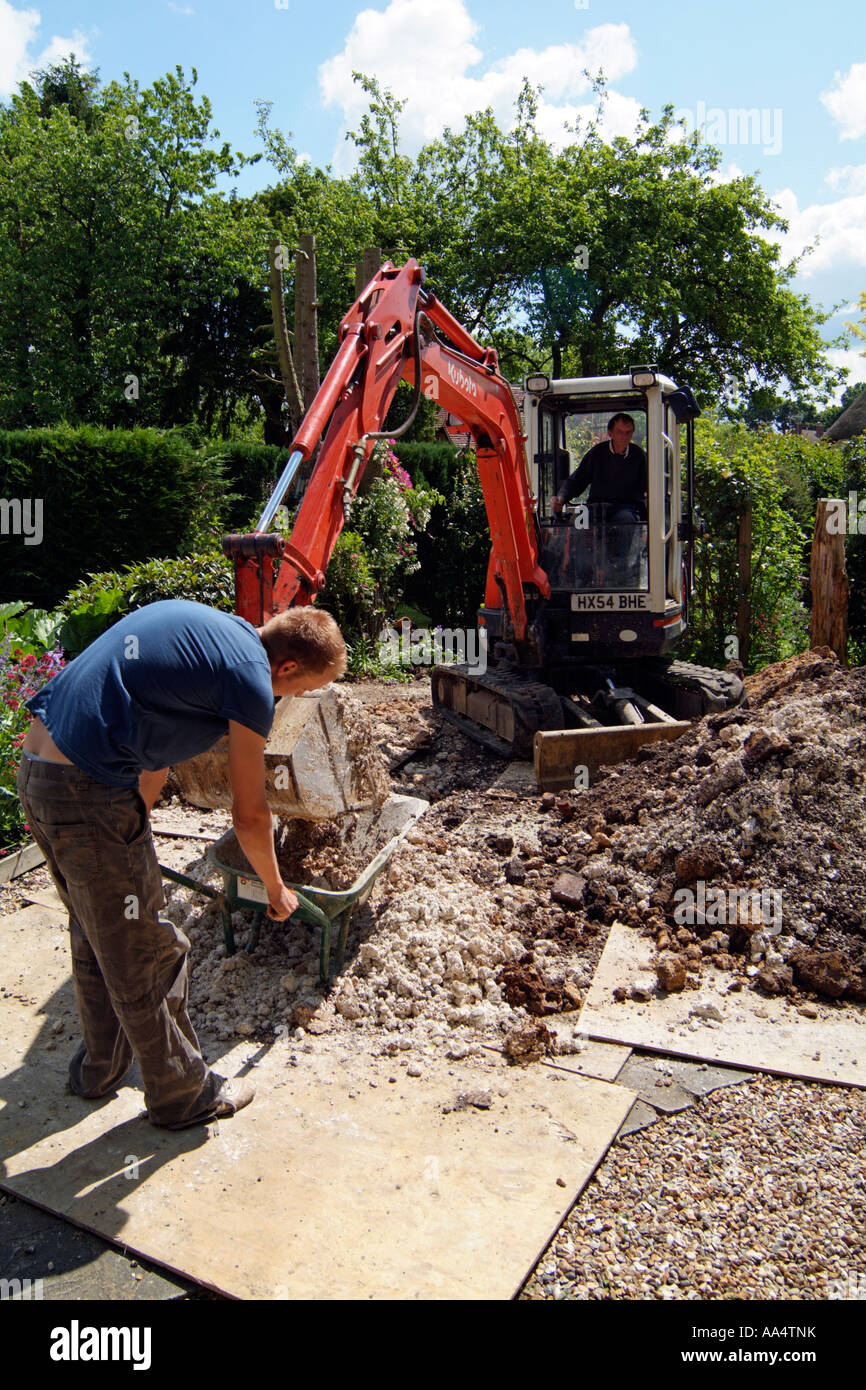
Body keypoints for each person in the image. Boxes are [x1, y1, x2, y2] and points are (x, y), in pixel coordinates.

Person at [17, 599, 346, 1130]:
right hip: (85, 790)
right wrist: (275, 887)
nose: (298, 699)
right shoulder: (249, 678)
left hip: (42, 776)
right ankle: (182, 1096)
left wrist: (131, 833)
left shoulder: (211, 637)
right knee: (150, 949)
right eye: (305, 688)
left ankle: (100, 1069)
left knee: (97, 928)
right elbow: (250, 814)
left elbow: (154, 754)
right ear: (286, 667)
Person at [550, 412, 647, 523]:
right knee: (582, 521)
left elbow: (647, 484)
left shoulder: (639, 455)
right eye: (619, 432)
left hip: (627, 507)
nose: (624, 437)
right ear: (610, 433)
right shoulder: (597, 453)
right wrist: (561, 499)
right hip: (597, 507)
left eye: (628, 432)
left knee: (625, 520)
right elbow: (577, 480)